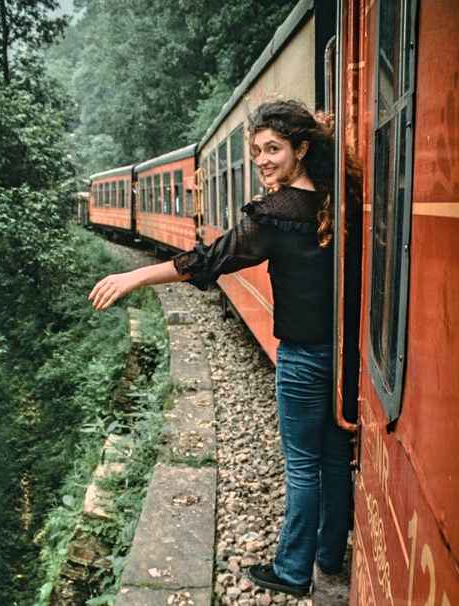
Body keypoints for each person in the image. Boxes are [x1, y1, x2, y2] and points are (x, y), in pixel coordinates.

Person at [87, 99, 352, 597]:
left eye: (272, 149)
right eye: (256, 152)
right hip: (341, 355)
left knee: (301, 465)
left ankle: (293, 571)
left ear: (301, 149)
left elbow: (209, 260)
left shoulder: (275, 214)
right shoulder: (335, 200)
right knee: (334, 460)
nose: (262, 160)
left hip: (301, 357)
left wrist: (138, 275)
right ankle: (330, 555)